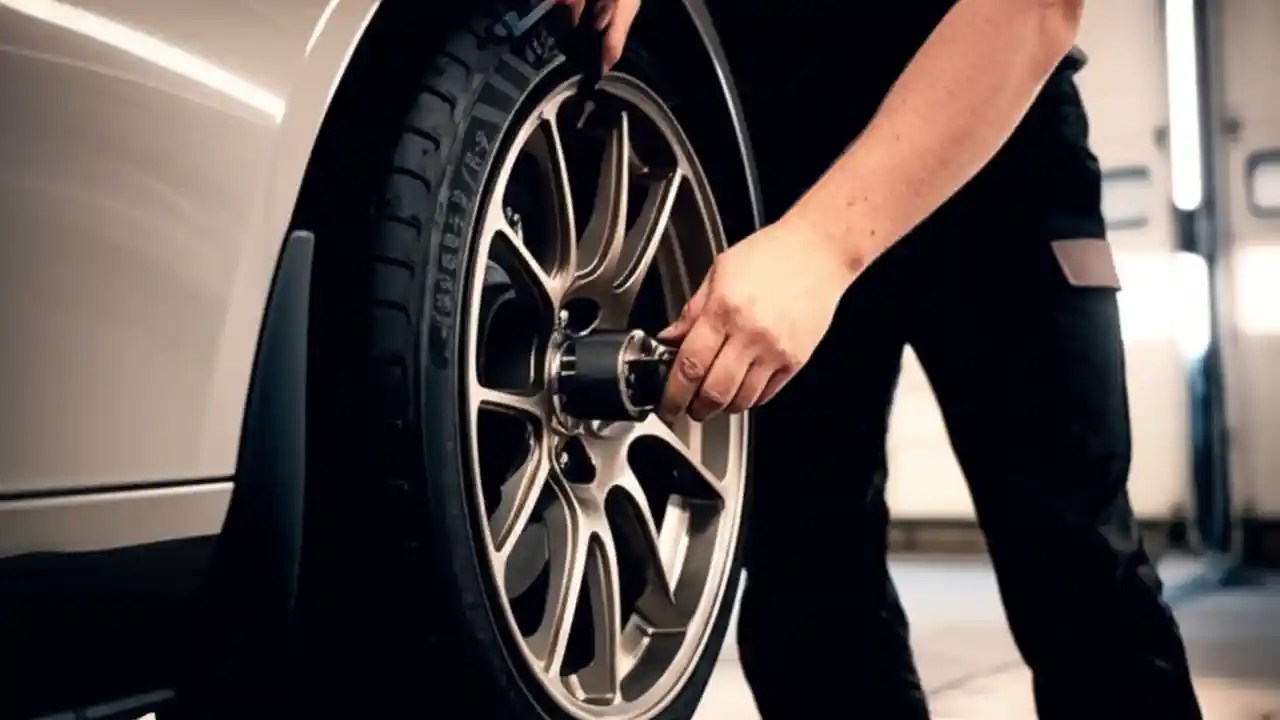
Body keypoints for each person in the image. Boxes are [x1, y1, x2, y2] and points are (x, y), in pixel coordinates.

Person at [556, 1, 1205, 718]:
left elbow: (1036, 9)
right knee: (808, 588)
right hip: (765, 159)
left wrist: (820, 249)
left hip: (990, 133)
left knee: (1080, 569)